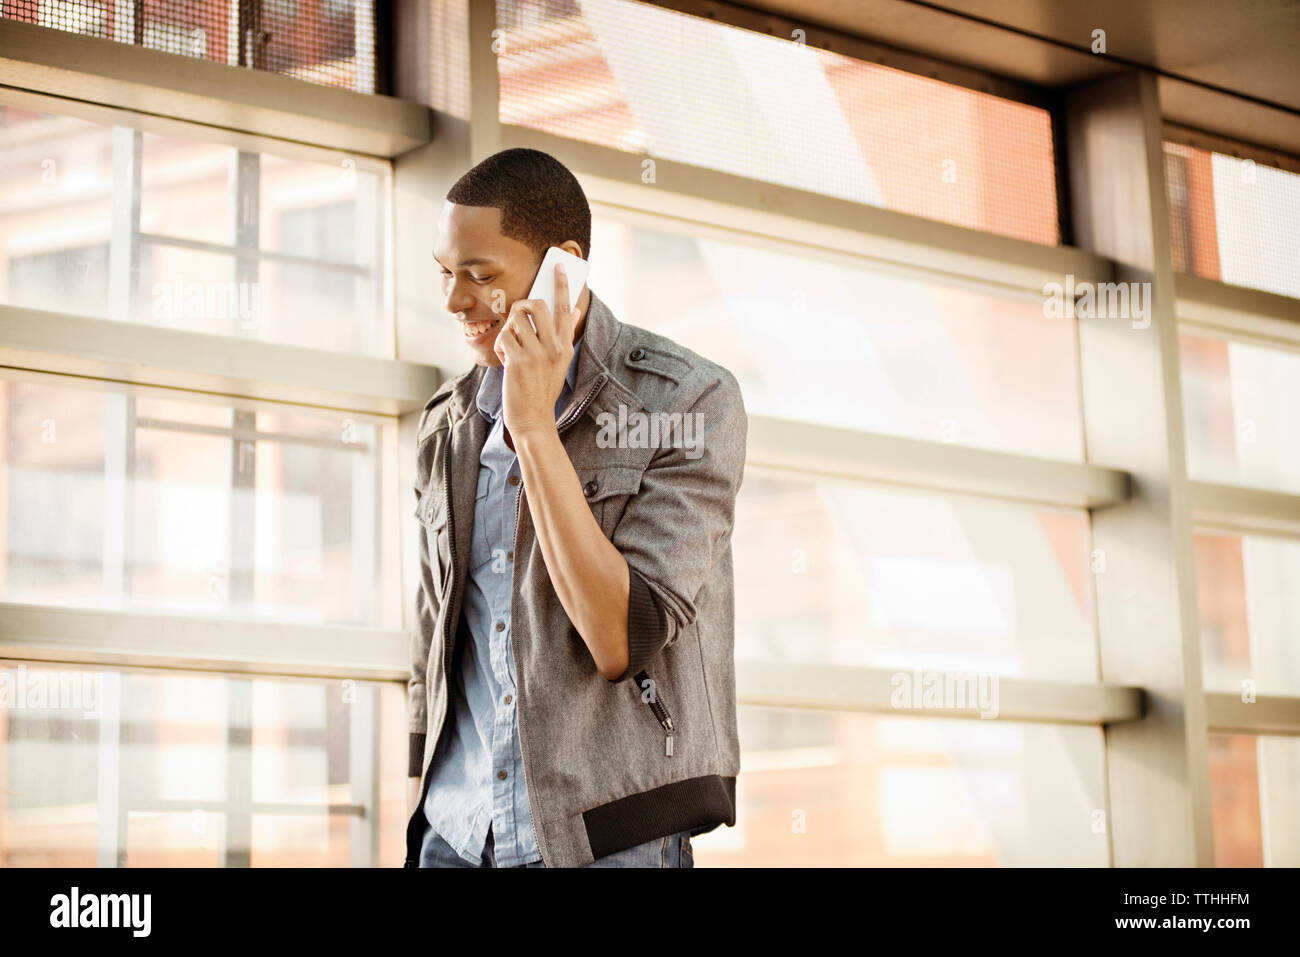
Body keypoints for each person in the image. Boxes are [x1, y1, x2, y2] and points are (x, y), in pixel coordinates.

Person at [403, 148, 746, 868]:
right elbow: (437, 633)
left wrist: (532, 427)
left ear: (565, 268)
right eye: (445, 271)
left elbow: (623, 634)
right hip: (457, 835)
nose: (454, 301)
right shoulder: (447, 424)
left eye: (481, 275)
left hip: (609, 839)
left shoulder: (685, 404)